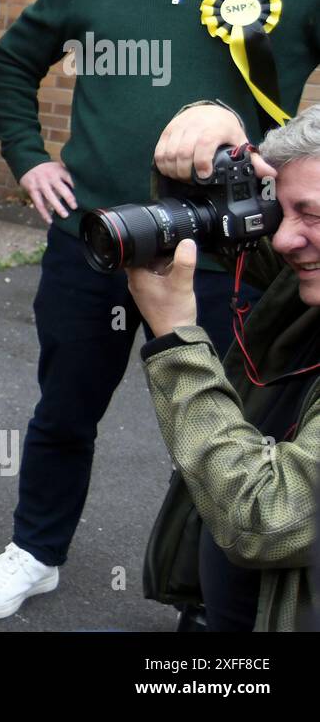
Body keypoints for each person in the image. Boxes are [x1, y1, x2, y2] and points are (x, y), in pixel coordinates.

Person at [0, 0, 320, 620]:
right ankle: (35, 550)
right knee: (64, 408)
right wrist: (28, 160)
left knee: (224, 423)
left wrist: (294, 163)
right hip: (102, 238)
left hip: (236, 249)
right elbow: (13, 63)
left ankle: (210, 591)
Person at [128, 102, 320, 632]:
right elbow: (223, 225)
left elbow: (264, 517)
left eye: (313, 214)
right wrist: (206, 130)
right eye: (285, 212)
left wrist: (174, 341)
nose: (284, 239)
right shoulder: (303, 278)